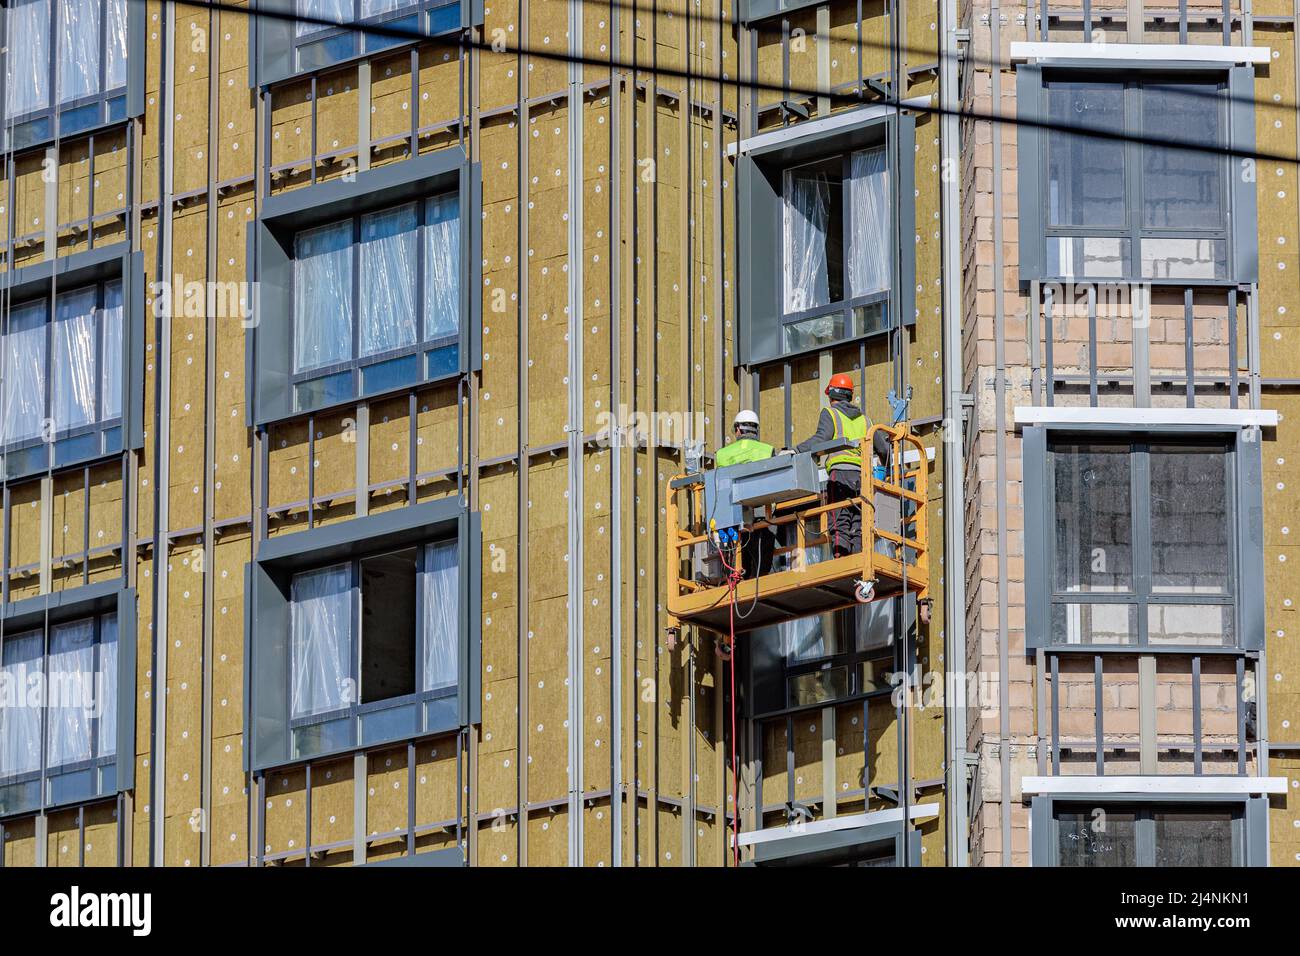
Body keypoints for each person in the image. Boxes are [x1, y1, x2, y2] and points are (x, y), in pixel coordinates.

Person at [795, 373, 887, 558]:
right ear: (850, 395)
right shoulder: (866, 420)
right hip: (863, 479)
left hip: (840, 475)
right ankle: (860, 564)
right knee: (859, 521)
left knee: (839, 519)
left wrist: (797, 450)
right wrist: (883, 472)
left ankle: (841, 560)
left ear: (830, 396)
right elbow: (884, 449)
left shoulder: (830, 413)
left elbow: (821, 438)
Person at [714, 410, 775, 578]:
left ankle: (735, 574)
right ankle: (759, 577)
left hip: (731, 518)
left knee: (736, 551)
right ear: (756, 430)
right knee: (765, 541)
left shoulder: (722, 454)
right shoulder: (767, 450)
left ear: (738, 430)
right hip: (760, 515)